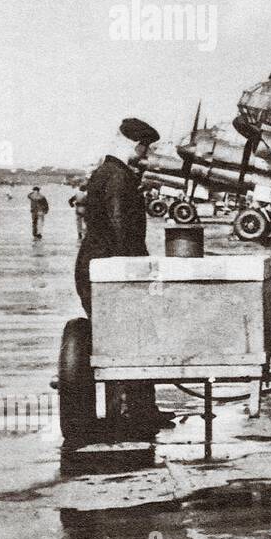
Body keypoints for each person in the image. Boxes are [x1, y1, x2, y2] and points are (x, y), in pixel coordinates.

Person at [75, 118, 167, 433]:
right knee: (130, 339)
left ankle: (137, 410)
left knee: (126, 338)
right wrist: (135, 271)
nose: (145, 154)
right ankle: (133, 413)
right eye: (144, 147)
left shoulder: (108, 173)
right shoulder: (117, 178)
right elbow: (119, 229)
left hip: (100, 267)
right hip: (110, 269)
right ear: (131, 144)